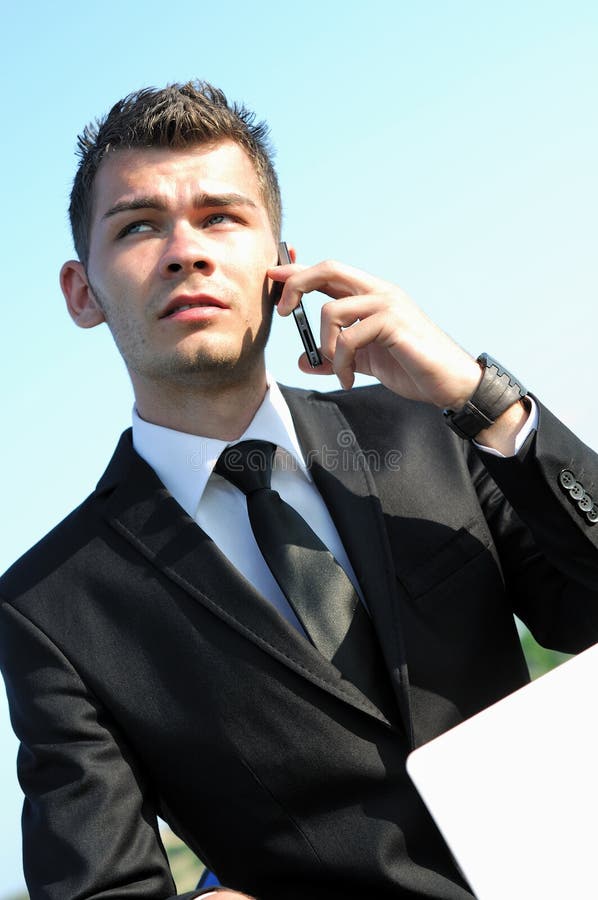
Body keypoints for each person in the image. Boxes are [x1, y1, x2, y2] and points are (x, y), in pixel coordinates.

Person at [1, 80, 597, 900]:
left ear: (284, 267)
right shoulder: (51, 605)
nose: (186, 251)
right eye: (139, 226)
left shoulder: (432, 431)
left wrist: (481, 398)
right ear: (82, 292)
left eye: (221, 217)